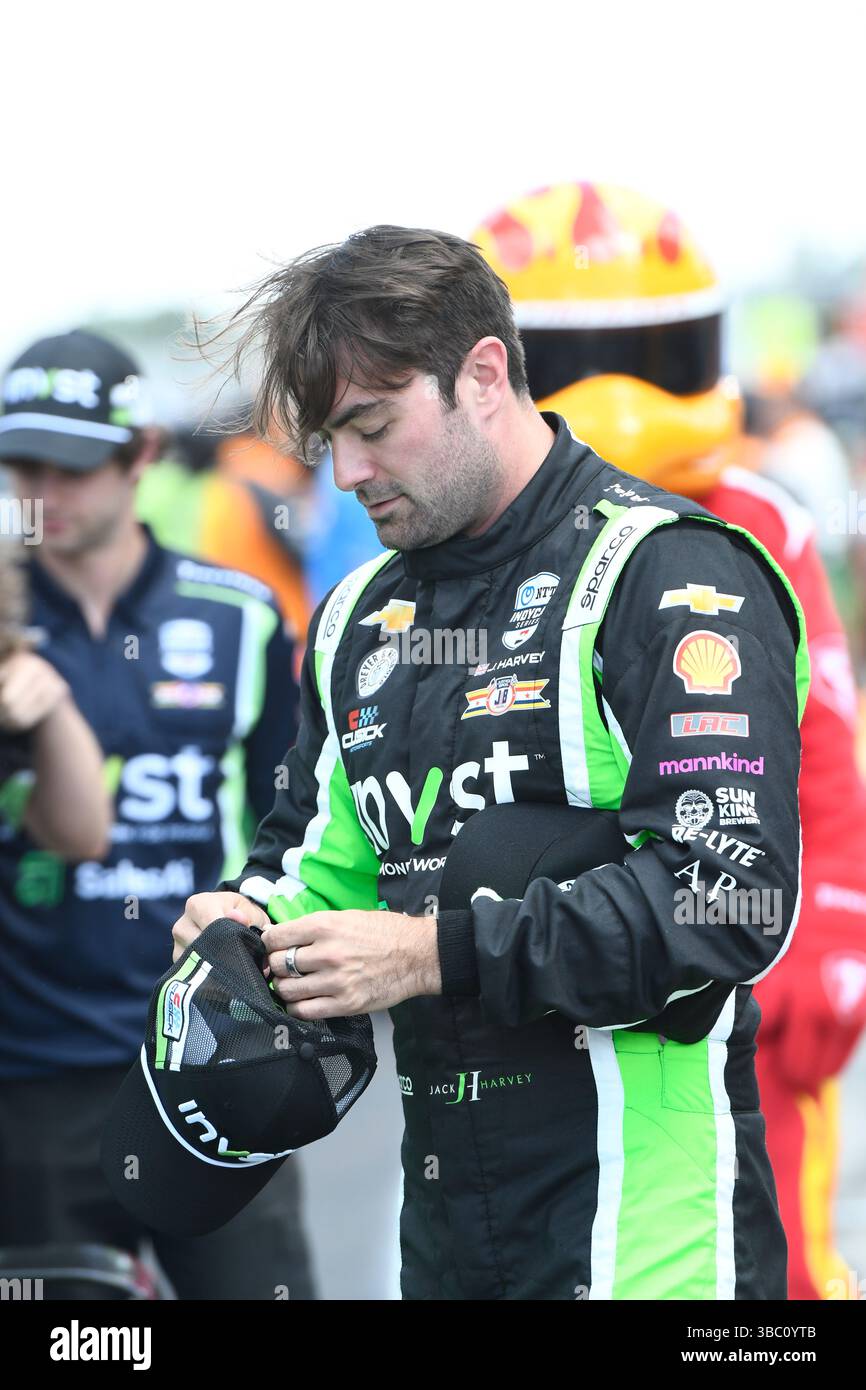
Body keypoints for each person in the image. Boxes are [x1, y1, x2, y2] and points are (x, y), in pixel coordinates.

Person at [172, 225, 808, 1300]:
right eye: (330, 438)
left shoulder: (664, 574)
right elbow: (319, 858)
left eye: (373, 425)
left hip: (651, 1238)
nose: (349, 474)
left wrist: (434, 953)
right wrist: (240, 916)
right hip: (449, 1234)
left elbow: (732, 895)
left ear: (482, 374)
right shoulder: (359, 621)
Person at [473, 180, 866, 1299]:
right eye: (594, 349)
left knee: (776, 1263)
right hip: (539, 985)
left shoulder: (757, 518)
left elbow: (823, 739)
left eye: (656, 345)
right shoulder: (466, 539)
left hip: (736, 973)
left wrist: (832, 921)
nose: (632, 385)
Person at [0, 328, 315, 1300]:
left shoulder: (241, 615)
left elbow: (297, 826)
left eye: (72, 464)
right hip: (28, 1080)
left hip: (204, 1059)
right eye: (22, 464)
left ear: (139, 456)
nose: (41, 491)